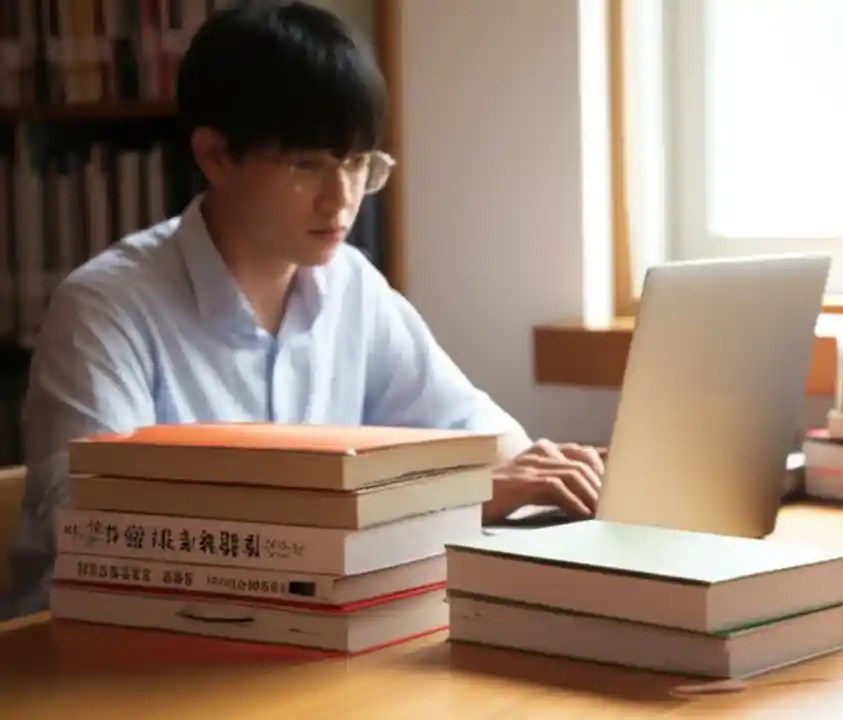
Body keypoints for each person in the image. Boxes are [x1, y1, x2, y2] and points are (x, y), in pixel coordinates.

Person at [2, 1, 603, 618]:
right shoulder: (105, 309)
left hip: (288, 635)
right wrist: (452, 500)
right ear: (215, 156)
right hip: (93, 652)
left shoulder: (350, 287)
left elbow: (479, 439)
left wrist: (557, 469)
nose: (340, 199)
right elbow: (100, 528)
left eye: (356, 164)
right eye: (307, 165)